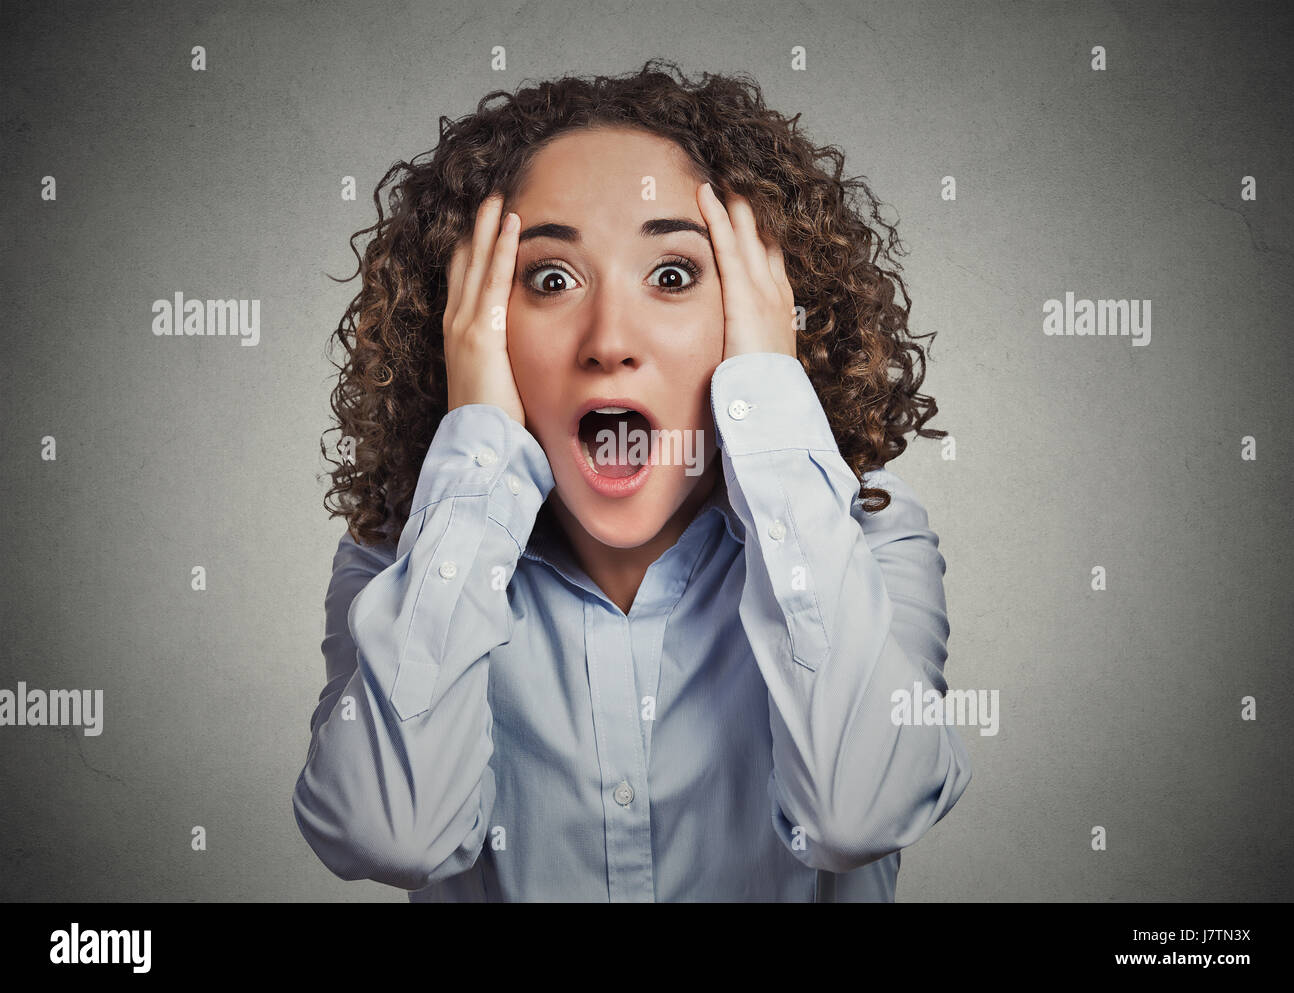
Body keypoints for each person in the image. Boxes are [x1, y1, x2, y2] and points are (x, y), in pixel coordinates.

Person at [292, 59, 972, 901]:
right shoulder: (402, 565)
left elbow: (859, 812)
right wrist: (479, 449)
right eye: (549, 280)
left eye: (674, 276)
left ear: (761, 312)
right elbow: (390, 833)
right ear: (473, 328)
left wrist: (768, 393)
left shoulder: (872, 542)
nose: (610, 338)